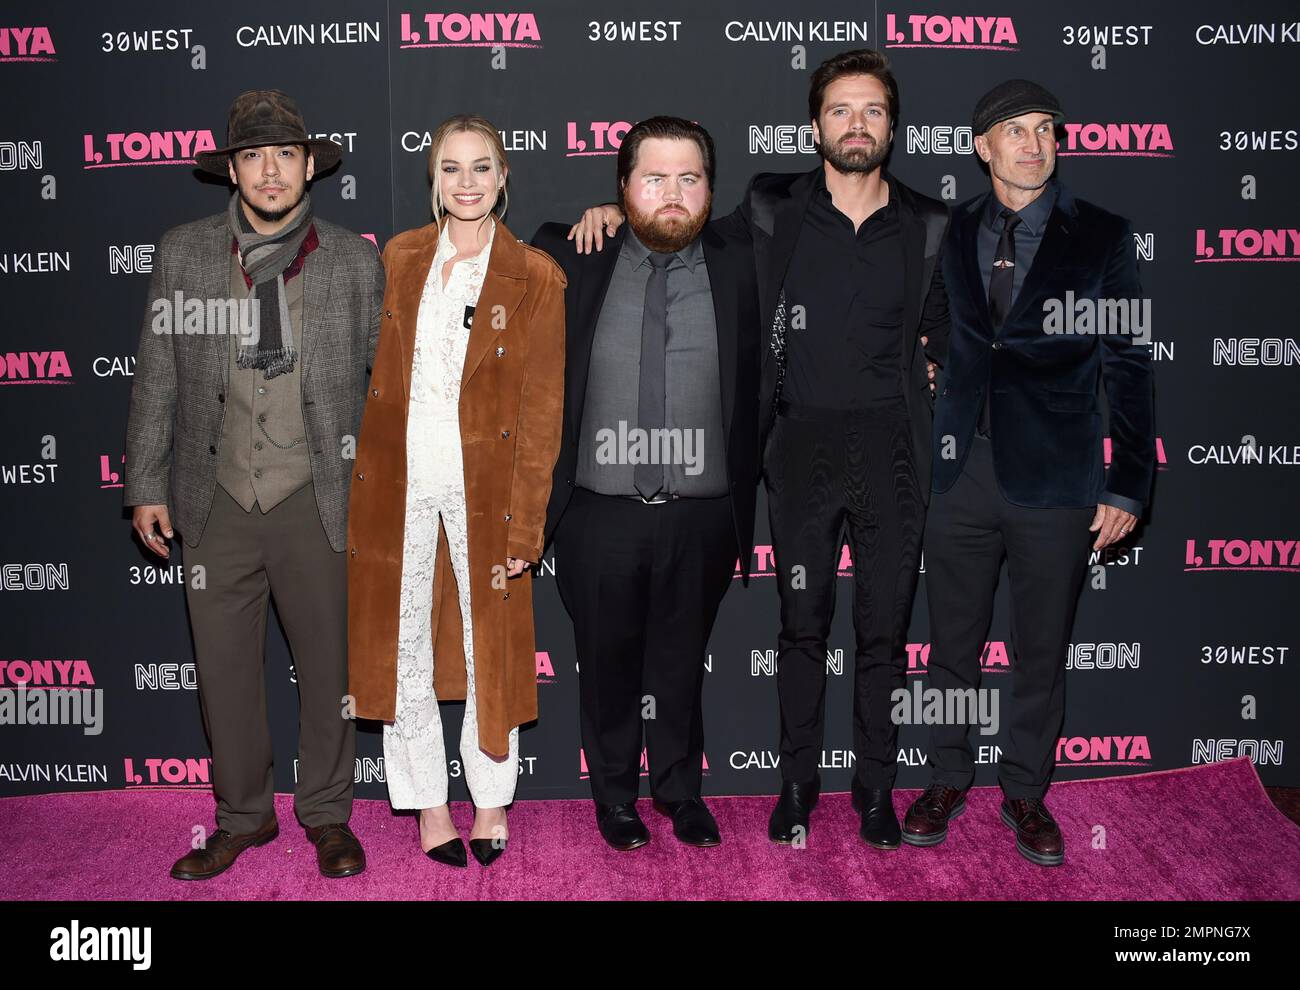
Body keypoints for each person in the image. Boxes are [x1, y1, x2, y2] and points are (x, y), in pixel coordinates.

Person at [569, 51, 950, 849]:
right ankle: (783, 792)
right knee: (794, 628)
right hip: (784, 455)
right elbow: (651, 223)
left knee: (876, 635)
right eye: (841, 109)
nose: (856, 124)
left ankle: (866, 793)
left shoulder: (924, 224)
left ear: (892, 124)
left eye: (873, 110)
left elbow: (951, 330)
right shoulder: (766, 212)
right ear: (814, 126)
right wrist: (594, 216)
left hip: (876, 459)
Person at [125, 89, 383, 880]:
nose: (270, 170)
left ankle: (328, 816)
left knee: (330, 671)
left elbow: (385, 387)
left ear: (310, 165)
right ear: (231, 170)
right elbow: (159, 371)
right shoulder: (186, 252)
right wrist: (144, 480)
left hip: (318, 495)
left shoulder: (351, 259)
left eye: (284, 155)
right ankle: (241, 818)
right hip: (216, 494)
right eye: (252, 156)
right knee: (226, 671)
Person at [902, 80, 1155, 866]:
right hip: (958, 472)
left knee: (1043, 648)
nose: (1034, 144)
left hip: (1057, 480)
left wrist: (1128, 482)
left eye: (1046, 130)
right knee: (952, 646)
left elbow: (1130, 363)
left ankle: (1025, 789)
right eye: (1014, 131)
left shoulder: (1103, 235)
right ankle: (947, 775)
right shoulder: (950, 229)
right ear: (982, 147)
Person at [533, 116, 761, 851]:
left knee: (680, 663)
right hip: (598, 514)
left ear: (711, 189)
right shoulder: (570, 253)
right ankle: (615, 799)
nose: (672, 194)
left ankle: (680, 791)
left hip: (702, 515)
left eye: (689, 178)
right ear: (623, 188)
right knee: (605, 667)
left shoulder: (746, 257)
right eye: (653, 177)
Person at [346, 115, 566, 868]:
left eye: (481, 168)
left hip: (488, 490)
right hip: (396, 481)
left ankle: (492, 799)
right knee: (400, 642)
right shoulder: (401, 258)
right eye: (451, 168)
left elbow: (542, 418)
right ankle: (428, 805)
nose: (466, 183)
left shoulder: (535, 275)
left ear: (505, 178)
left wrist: (525, 530)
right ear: (432, 178)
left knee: (489, 647)